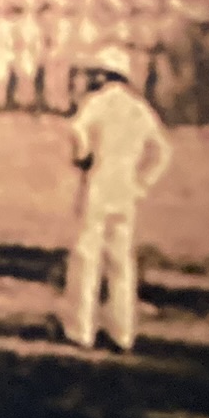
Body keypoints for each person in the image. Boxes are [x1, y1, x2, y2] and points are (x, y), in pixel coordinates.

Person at [63, 45, 171, 351]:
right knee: (121, 262)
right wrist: (142, 182)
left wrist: (82, 157)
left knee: (87, 256)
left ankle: (80, 329)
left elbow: (77, 132)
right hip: (125, 191)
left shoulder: (96, 104)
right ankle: (122, 332)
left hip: (99, 186)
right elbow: (162, 150)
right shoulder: (139, 109)